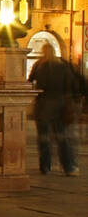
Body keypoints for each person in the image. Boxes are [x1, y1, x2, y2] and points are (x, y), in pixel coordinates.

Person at [29, 44, 81, 176]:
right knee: (61, 138)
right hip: (59, 106)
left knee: (43, 139)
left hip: (42, 106)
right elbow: (71, 84)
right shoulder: (62, 66)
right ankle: (68, 167)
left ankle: (45, 167)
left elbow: (30, 81)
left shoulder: (38, 65)